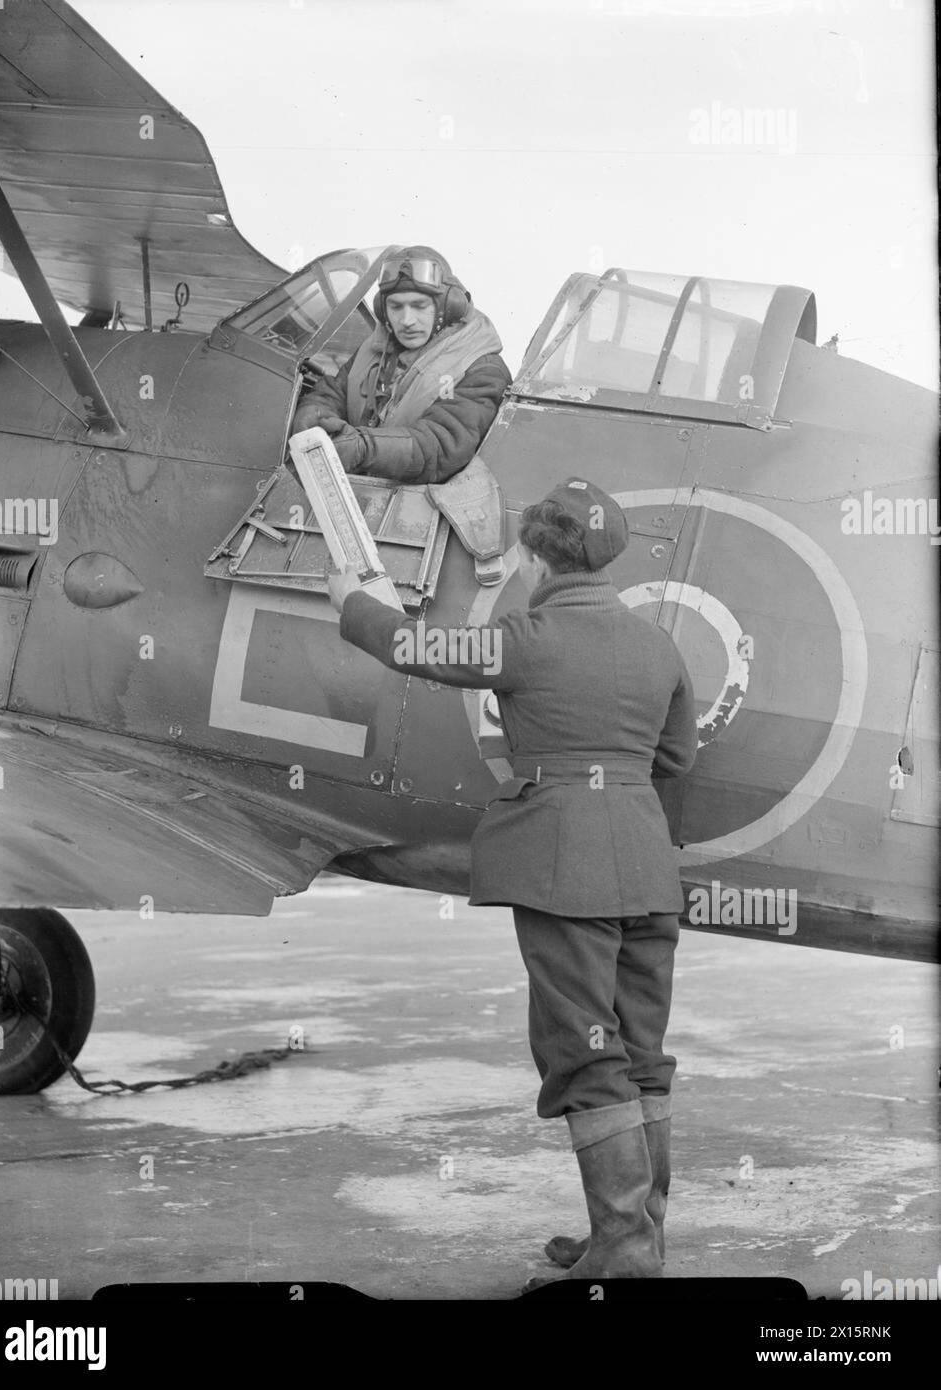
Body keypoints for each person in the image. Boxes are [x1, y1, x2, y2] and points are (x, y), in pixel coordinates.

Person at [327, 478, 698, 1286]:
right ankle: (637, 1236)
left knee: (585, 1051)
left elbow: (416, 649)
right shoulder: (661, 647)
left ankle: (626, 1251)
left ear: (534, 554)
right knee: (640, 1051)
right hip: (648, 868)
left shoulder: (528, 639)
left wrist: (354, 601)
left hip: (566, 869)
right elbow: (675, 765)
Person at [291, 246, 511, 484]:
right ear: (383, 310)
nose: (406, 321)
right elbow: (332, 392)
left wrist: (363, 448)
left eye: (419, 306)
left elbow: (440, 446)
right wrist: (314, 416)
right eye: (396, 307)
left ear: (447, 307)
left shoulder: (482, 367)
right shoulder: (373, 348)